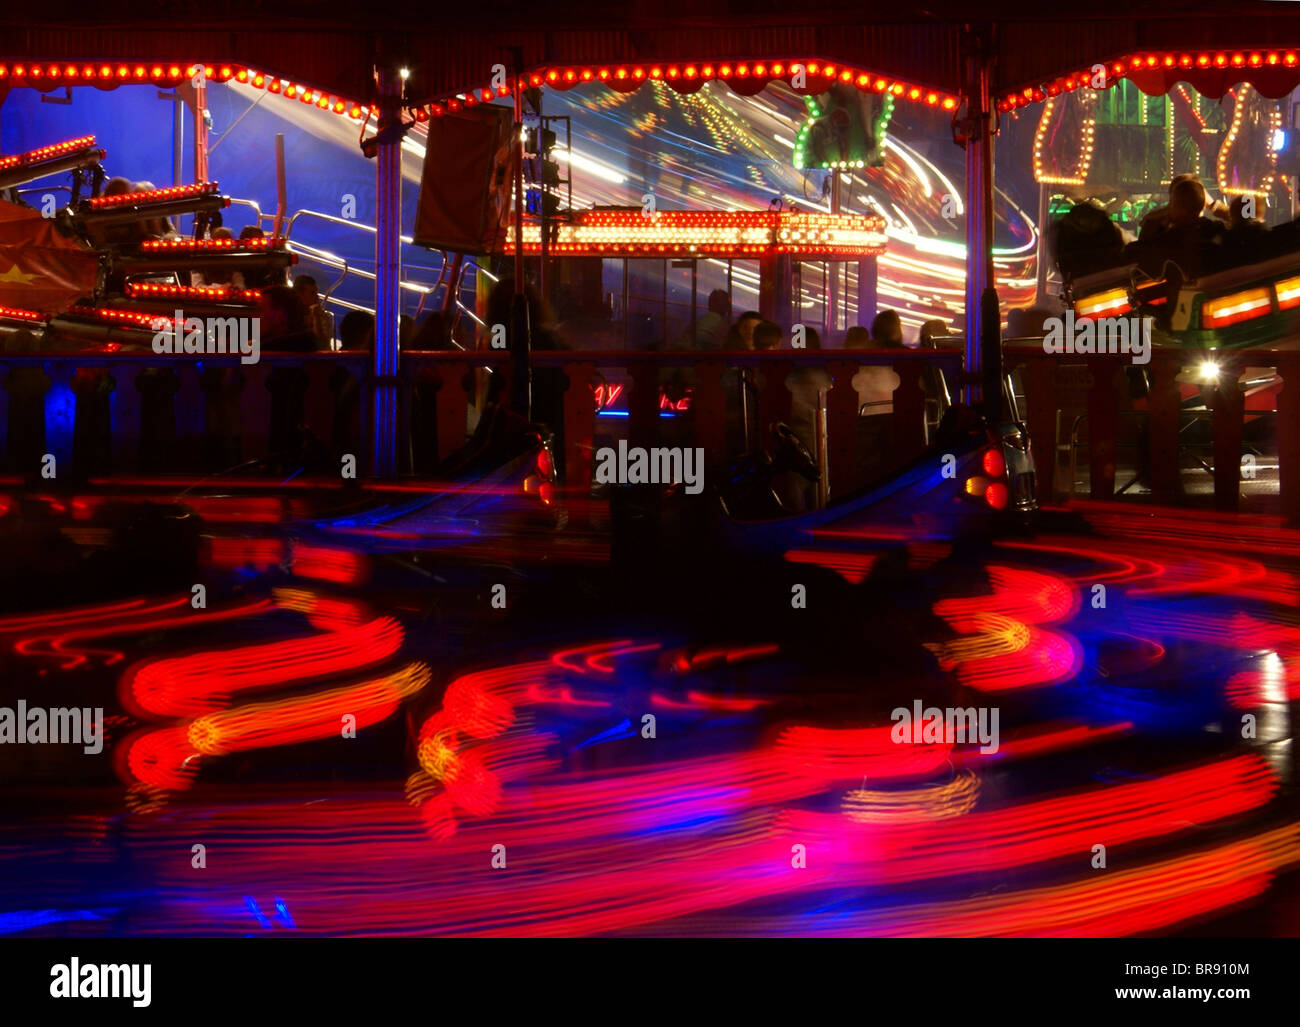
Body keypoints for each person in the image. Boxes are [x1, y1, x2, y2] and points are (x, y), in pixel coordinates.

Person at [292, 275, 333, 349]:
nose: (317, 297)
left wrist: (316, 318)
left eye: (316, 292)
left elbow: (323, 344)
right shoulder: (288, 315)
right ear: (299, 294)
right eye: (312, 293)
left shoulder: (321, 316)